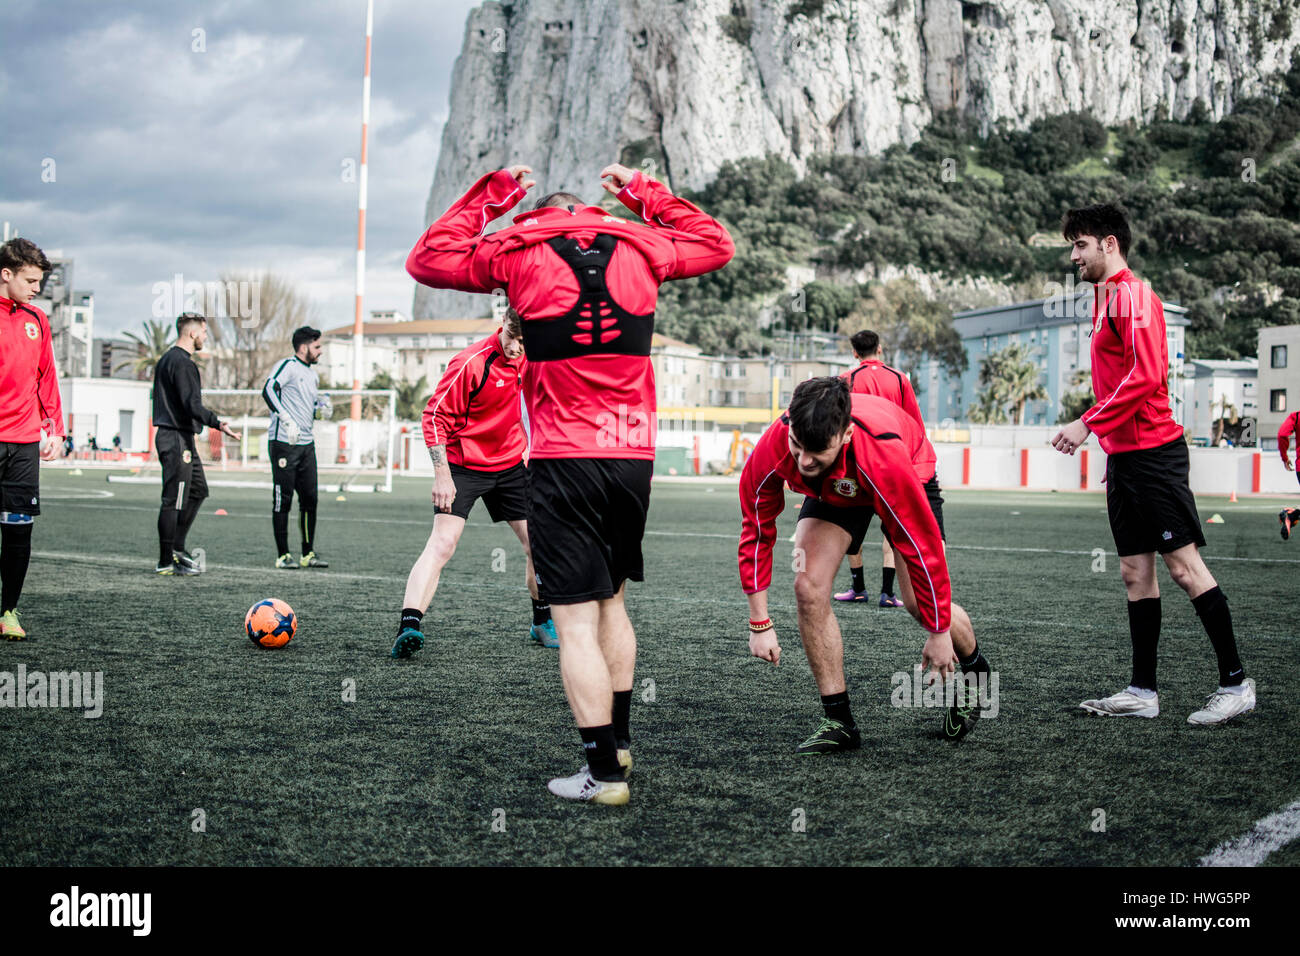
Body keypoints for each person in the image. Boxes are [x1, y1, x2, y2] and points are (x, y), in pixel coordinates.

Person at [407, 161, 733, 804]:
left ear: (545, 217)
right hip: (633, 461)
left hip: (561, 459)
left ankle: (603, 776)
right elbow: (717, 244)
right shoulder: (643, 245)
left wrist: (495, 195)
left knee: (576, 623)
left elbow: (428, 258)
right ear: (594, 214)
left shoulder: (521, 247)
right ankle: (622, 746)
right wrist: (644, 192)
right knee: (612, 604)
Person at [1052, 202, 1253, 725]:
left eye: (1080, 244)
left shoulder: (1133, 296)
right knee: (1133, 573)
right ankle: (1143, 692)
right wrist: (1109, 444)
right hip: (1125, 459)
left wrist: (1086, 424)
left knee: (1185, 570)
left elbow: (1145, 377)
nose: (1074, 255)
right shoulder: (1105, 299)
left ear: (1109, 244)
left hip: (1155, 457)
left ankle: (1236, 683)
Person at [739, 377, 991, 749]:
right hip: (834, 490)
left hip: (903, 473)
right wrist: (759, 622)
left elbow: (923, 549)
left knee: (919, 604)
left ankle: (977, 674)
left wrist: (938, 633)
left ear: (845, 434)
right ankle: (839, 723)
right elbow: (756, 530)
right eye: (797, 446)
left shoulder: (884, 455)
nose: (803, 461)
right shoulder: (778, 446)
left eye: (815, 451)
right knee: (807, 588)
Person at [391, 308, 556, 656]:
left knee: (537, 544)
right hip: (463, 465)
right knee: (443, 544)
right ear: (504, 328)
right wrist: (442, 475)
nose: (516, 349)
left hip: (511, 465)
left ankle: (542, 622)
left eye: (525, 343)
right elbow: (433, 416)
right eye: (513, 338)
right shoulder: (471, 363)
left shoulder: (532, 360)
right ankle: (409, 626)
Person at [834, 329, 931, 607]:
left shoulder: (846, 379)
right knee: (891, 531)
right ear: (880, 348)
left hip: (858, 466)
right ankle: (887, 594)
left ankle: (859, 588)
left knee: (851, 530)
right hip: (893, 465)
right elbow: (915, 424)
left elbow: (838, 426)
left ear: (854, 353)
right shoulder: (900, 380)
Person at [0, 238, 66, 640]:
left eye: (39, 281)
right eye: (29, 280)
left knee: (19, 527)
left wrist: (55, 429)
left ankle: (9, 611)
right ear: (5, 274)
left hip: (24, 442)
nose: (36, 287)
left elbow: (47, 377)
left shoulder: (37, 320)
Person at [151, 313, 241, 576]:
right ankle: (166, 561)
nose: (205, 337)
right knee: (173, 500)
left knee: (198, 489)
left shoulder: (169, 359)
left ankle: (177, 549)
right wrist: (218, 423)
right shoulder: (181, 363)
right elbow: (191, 405)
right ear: (192, 333)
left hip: (182, 438)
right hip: (175, 438)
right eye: (203, 332)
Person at [262, 325, 330, 569]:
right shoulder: (288, 366)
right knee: (283, 500)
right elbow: (268, 389)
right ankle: (282, 555)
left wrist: (320, 410)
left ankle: (307, 553)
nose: (320, 351)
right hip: (284, 443)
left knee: (310, 498)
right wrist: (286, 418)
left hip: (306, 445)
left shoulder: (313, 375)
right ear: (304, 347)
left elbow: (308, 408)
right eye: (317, 346)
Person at [1276, 409, 1300, 539]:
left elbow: (1282, 435)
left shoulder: (1296, 416)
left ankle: (1291, 515)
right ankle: (1291, 515)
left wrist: (1285, 458)